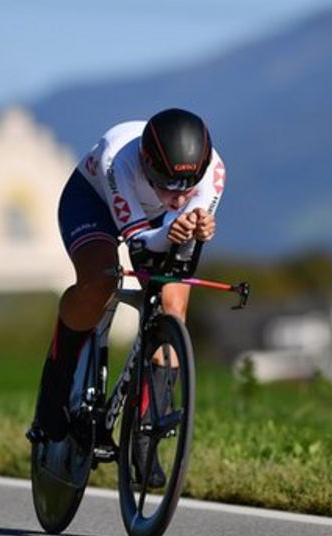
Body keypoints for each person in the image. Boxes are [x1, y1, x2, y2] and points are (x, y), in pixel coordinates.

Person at [28, 108, 225, 487]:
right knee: (98, 286)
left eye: (187, 188)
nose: (178, 195)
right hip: (95, 204)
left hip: (160, 225)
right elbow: (140, 243)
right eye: (166, 185)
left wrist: (197, 221)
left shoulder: (214, 171)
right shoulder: (118, 158)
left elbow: (183, 220)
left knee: (174, 306)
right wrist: (174, 227)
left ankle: (146, 434)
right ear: (148, 166)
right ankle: (57, 379)